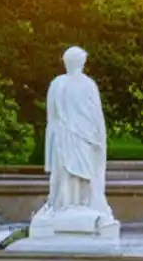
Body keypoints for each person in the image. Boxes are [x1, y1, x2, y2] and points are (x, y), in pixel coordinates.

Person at [39, 46, 112, 221]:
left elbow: (52, 115)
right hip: (80, 135)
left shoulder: (57, 83)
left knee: (69, 171)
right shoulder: (87, 84)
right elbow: (95, 114)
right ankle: (74, 205)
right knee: (76, 171)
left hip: (68, 135)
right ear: (82, 63)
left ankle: (70, 205)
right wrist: (99, 137)